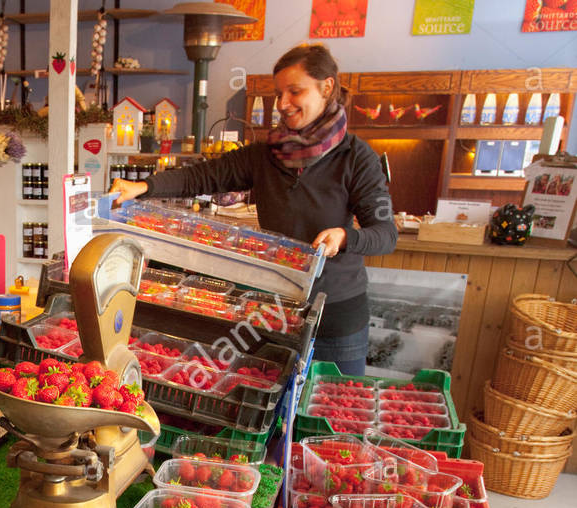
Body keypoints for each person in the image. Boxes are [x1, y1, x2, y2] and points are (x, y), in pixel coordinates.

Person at [111, 44, 397, 374]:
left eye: (295, 91)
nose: (283, 104)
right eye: (278, 94)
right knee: (268, 407)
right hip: (273, 310)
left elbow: (386, 235)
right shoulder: (266, 155)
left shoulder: (356, 158)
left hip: (336, 316)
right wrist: (144, 187)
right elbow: (205, 175)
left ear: (327, 87)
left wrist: (345, 237)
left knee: (326, 419)